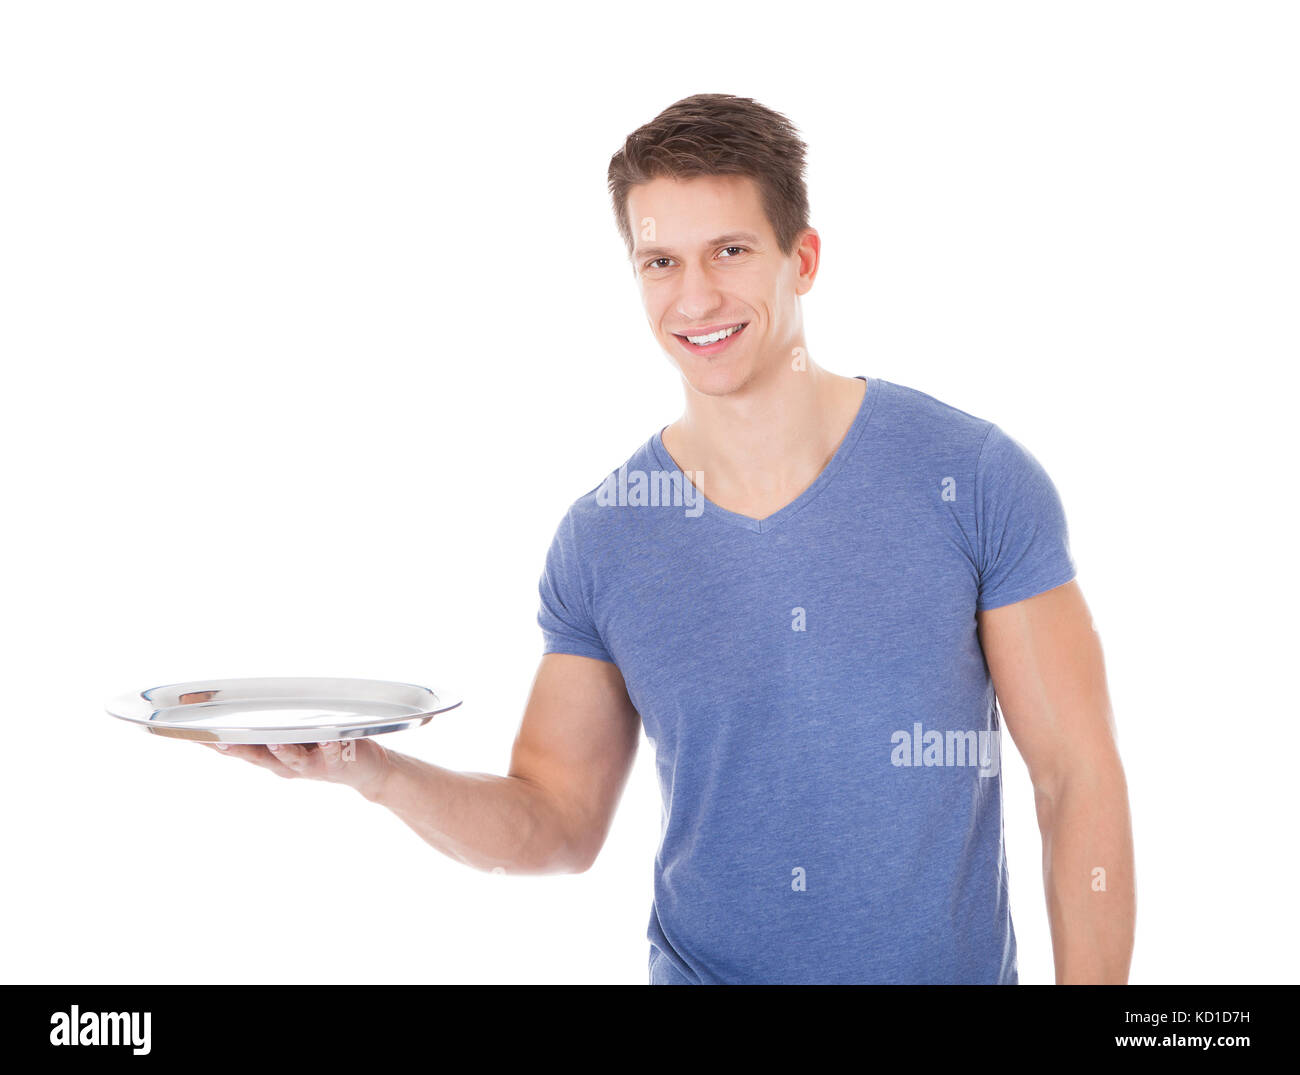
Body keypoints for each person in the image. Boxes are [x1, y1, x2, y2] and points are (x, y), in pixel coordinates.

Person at [207, 93, 1136, 985]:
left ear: (802, 259)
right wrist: (370, 769)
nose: (695, 298)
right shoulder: (605, 538)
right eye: (661, 262)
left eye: (729, 250)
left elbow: (1074, 777)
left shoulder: (970, 477)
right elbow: (556, 823)